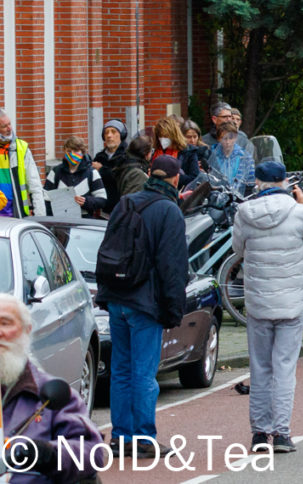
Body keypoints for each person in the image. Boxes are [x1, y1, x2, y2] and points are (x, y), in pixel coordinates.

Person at [231, 160, 303, 453]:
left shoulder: (244, 212)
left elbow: (237, 249)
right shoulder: (301, 213)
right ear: (285, 181)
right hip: (291, 302)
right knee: (285, 368)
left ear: (258, 183)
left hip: (259, 301)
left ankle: (260, 433)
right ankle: (282, 434)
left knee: (260, 367)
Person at [96, 154, 188, 459]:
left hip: (118, 298)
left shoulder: (126, 203)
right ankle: (145, 438)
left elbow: (106, 250)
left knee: (121, 370)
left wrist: (105, 295)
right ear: (175, 180)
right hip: (145, 304)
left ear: (150, 173)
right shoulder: (169, 211)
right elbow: (172, 267)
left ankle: (121, 436)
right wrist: (173, 310)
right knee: (145, 374)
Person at [0, 292, 104, 480]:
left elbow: (92, 452)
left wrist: (49, 454)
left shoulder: (50, 394)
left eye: (5, 323)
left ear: (27, 330)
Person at [45, 138, 107, 218]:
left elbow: (102, 200)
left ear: (82, 152)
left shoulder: (92, 173)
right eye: (69, 151)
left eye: (76, 151)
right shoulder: (56, 172)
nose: (72, 154)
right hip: (60, 221)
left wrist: (86, 201)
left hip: (84, 222)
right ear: (64, 151)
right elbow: (45, 198)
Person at [0, 109, 45, 218]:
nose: (9, 128)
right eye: (4, 126)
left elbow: (35, 186)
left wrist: (40, 217)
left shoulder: (21, 148)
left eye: (9, 124)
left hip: (16, 213)